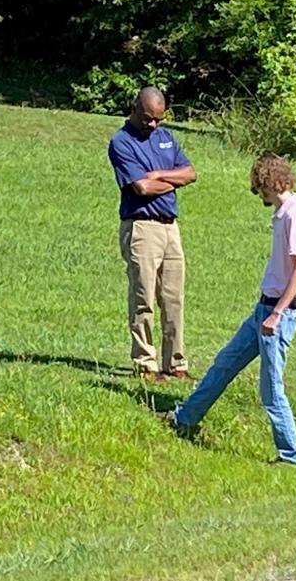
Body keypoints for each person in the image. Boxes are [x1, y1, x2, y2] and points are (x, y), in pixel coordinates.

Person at [163, 154, 296, 467]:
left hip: (277, 314)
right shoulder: (281, 212)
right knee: (224, 364)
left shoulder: (295, 215)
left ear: (272, 182)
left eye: (261, 189)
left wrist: (277, 314)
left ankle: (291, 456)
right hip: (263, 309)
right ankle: (185, 418)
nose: (260, 195)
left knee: (271, 388)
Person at [107, 87, 196, 381]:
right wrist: (172, 179)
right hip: (141, 226)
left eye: (158, 119)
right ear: (134, 108)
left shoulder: (166, 138)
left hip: (171, 226)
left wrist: (158, 176)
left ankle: (176, 362)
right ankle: (146, 361)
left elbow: (191, 173)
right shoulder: (121, 142)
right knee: (143, 295)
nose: (153, 125)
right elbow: (141, 188)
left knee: (173, 296)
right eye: (148, 119)